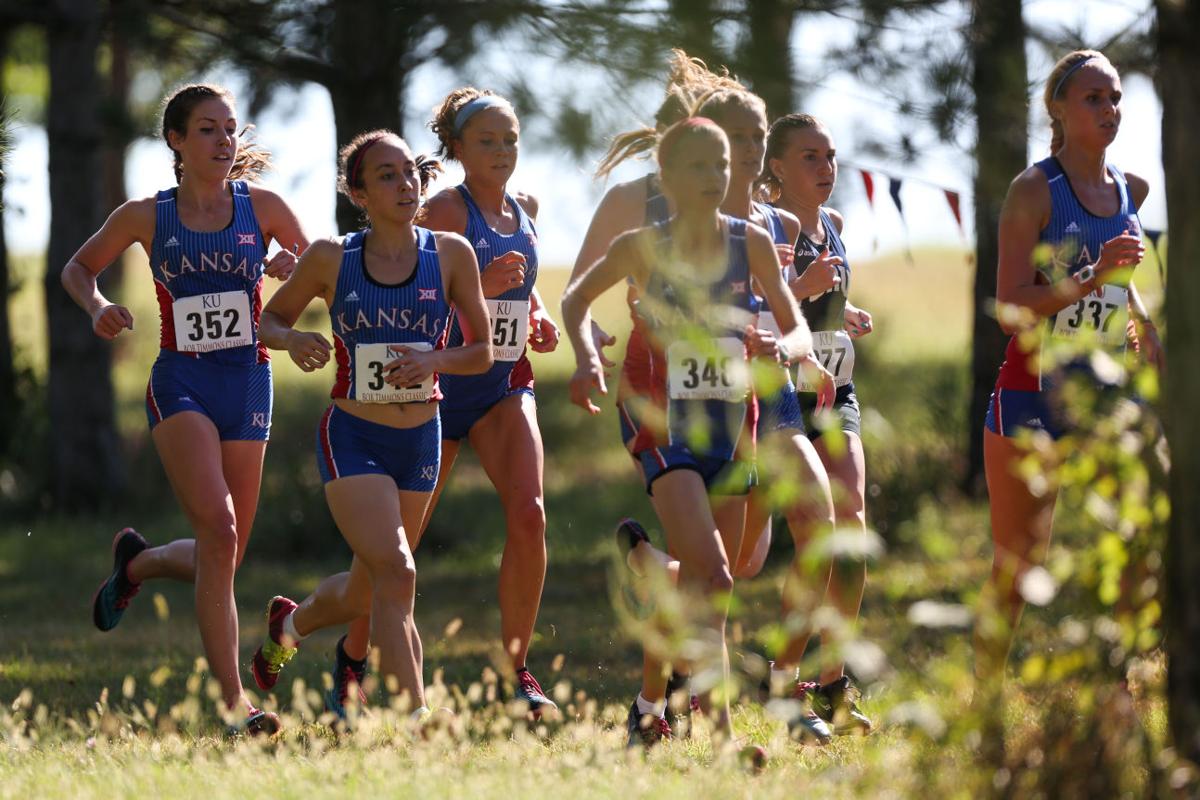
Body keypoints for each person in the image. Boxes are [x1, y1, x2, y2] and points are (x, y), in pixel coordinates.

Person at [254, 89, 560, 716]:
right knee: (398, 571)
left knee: (370, 585)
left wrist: (436, 360)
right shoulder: (329, 258)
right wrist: (297, 339)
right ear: (358, 195)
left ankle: (293, 625)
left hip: (423, 433)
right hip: (356, 436)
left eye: (409, 174)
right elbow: (270, 321)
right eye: (385, 176)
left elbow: (479, 349)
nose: (404, 185)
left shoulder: (449, 254)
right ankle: (418, 720)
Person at [63, 83, 307, 734]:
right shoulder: (148, 214)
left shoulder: (267, 207)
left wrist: (290, 262)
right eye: (206, 129)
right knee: (221, 537)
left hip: (250, 381)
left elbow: (316, 269)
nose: (224, 140)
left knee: (222, 555)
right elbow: (77, 268)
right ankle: (237, 710)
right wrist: (97, 308)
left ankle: (137, 564)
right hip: (182, 383)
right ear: (175, 139)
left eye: (229, 129)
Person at [563, 116, 816, 742]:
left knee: (705, 586)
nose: (714, 177)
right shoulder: (640, 244)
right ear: (668, 179)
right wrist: (588, 355)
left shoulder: (751, 241)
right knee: (719, 576)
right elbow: (574, 297)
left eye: (721, 165)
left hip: (732, 423)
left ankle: (651, 708)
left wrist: (785, 348)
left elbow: (796, 322)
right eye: (699, 166)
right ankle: (726, 741)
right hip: (658, 419)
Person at [975, 50, 1163, 682]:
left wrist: (1141, 319)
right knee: (1020, 564)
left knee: (1139, 529)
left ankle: (1126, 680)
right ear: (1058, 107)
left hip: (1105, 393)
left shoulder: (1130, 188)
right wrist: (1088, 280)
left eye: (1115, 99)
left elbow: (1123, 275)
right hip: (1031, 393)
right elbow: (1008, 307)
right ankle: (983, 697)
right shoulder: (1034, 190)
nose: (1109, 110)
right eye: (1093, 99)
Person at [749, 112, 876, 734]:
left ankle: (833, 682)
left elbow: (823, 299)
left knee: (851, 524)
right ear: (776, 166)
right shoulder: (763, 225)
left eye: (830, 157)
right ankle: (784, 679)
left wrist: (846, 311)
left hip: (835, 387)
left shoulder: (837, 224)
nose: (825, 168)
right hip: (782, 393)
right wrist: (803, 284)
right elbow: (756, 308)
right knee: (811, 536)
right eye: (809, 157)